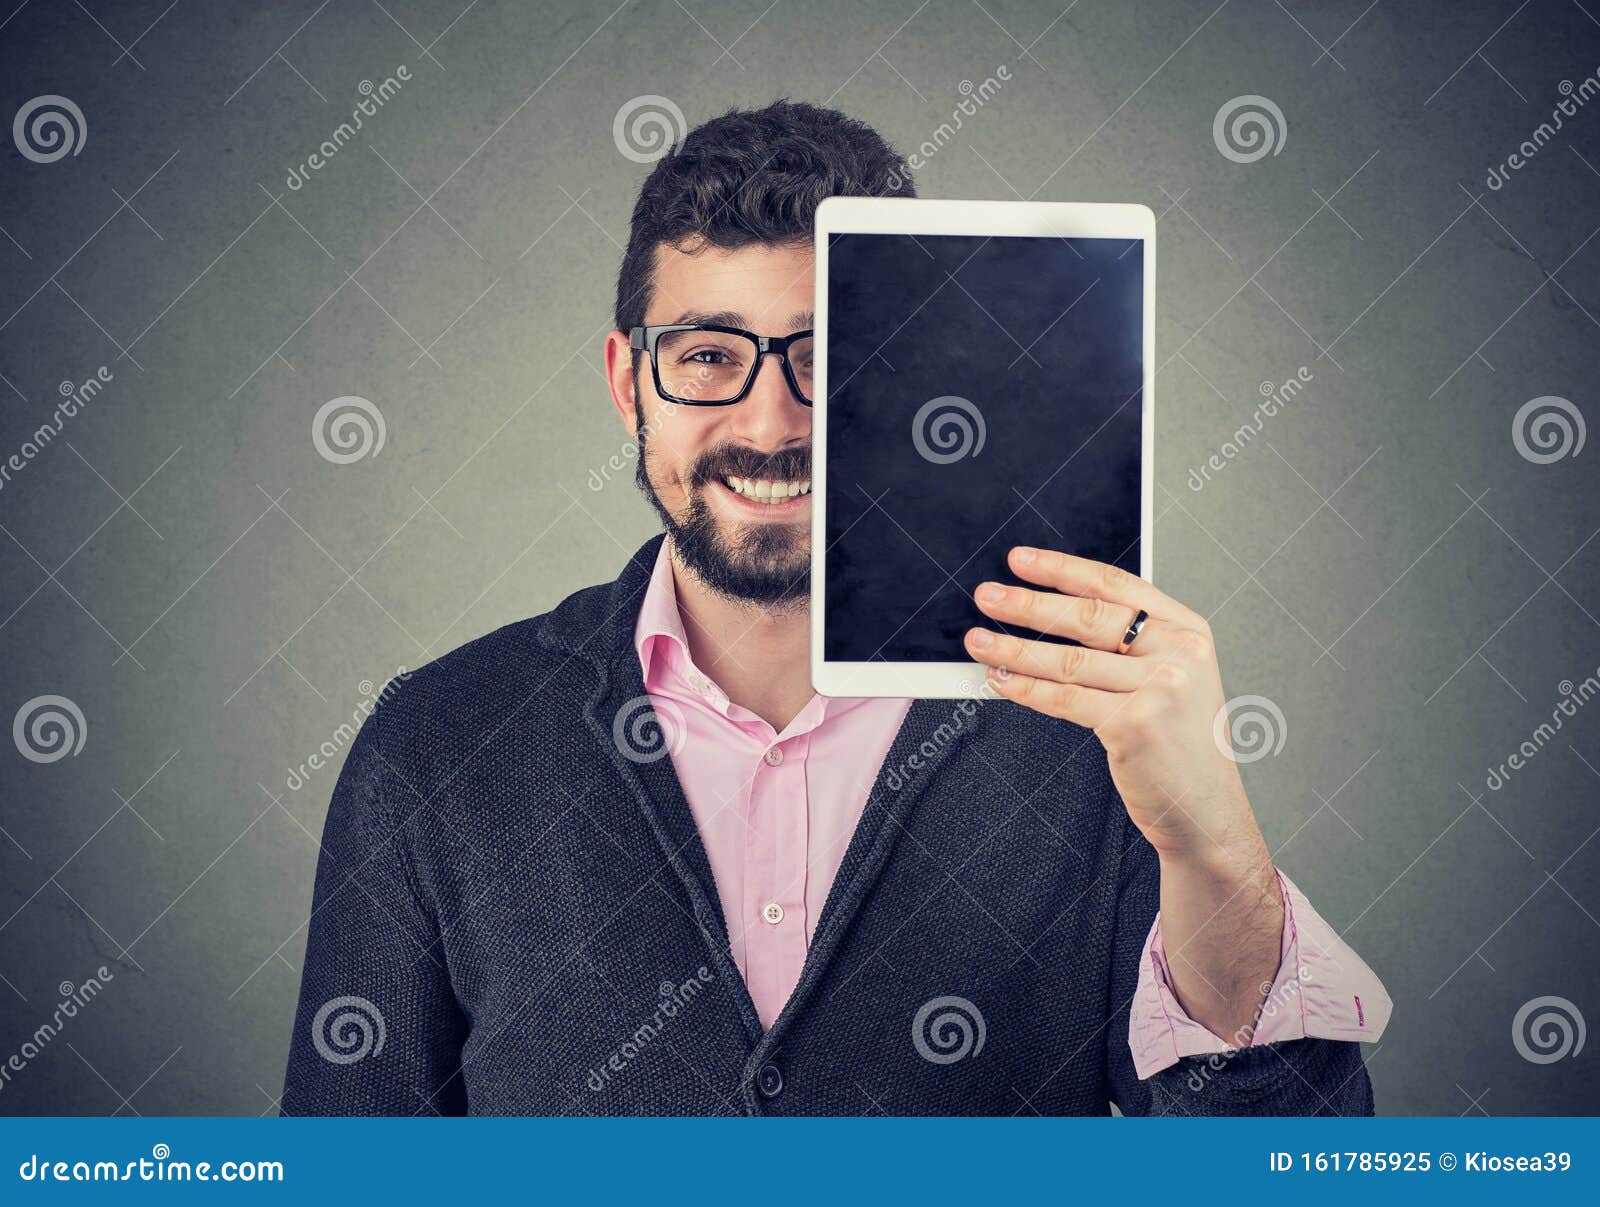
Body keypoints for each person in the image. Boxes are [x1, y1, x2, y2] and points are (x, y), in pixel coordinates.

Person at [283, 100, 1388, 1116]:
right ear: (629, 383)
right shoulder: (434, 747)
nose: (769, 423)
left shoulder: (1089, 731)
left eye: (829, 358)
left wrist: (1216, 852)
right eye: (708, 355)